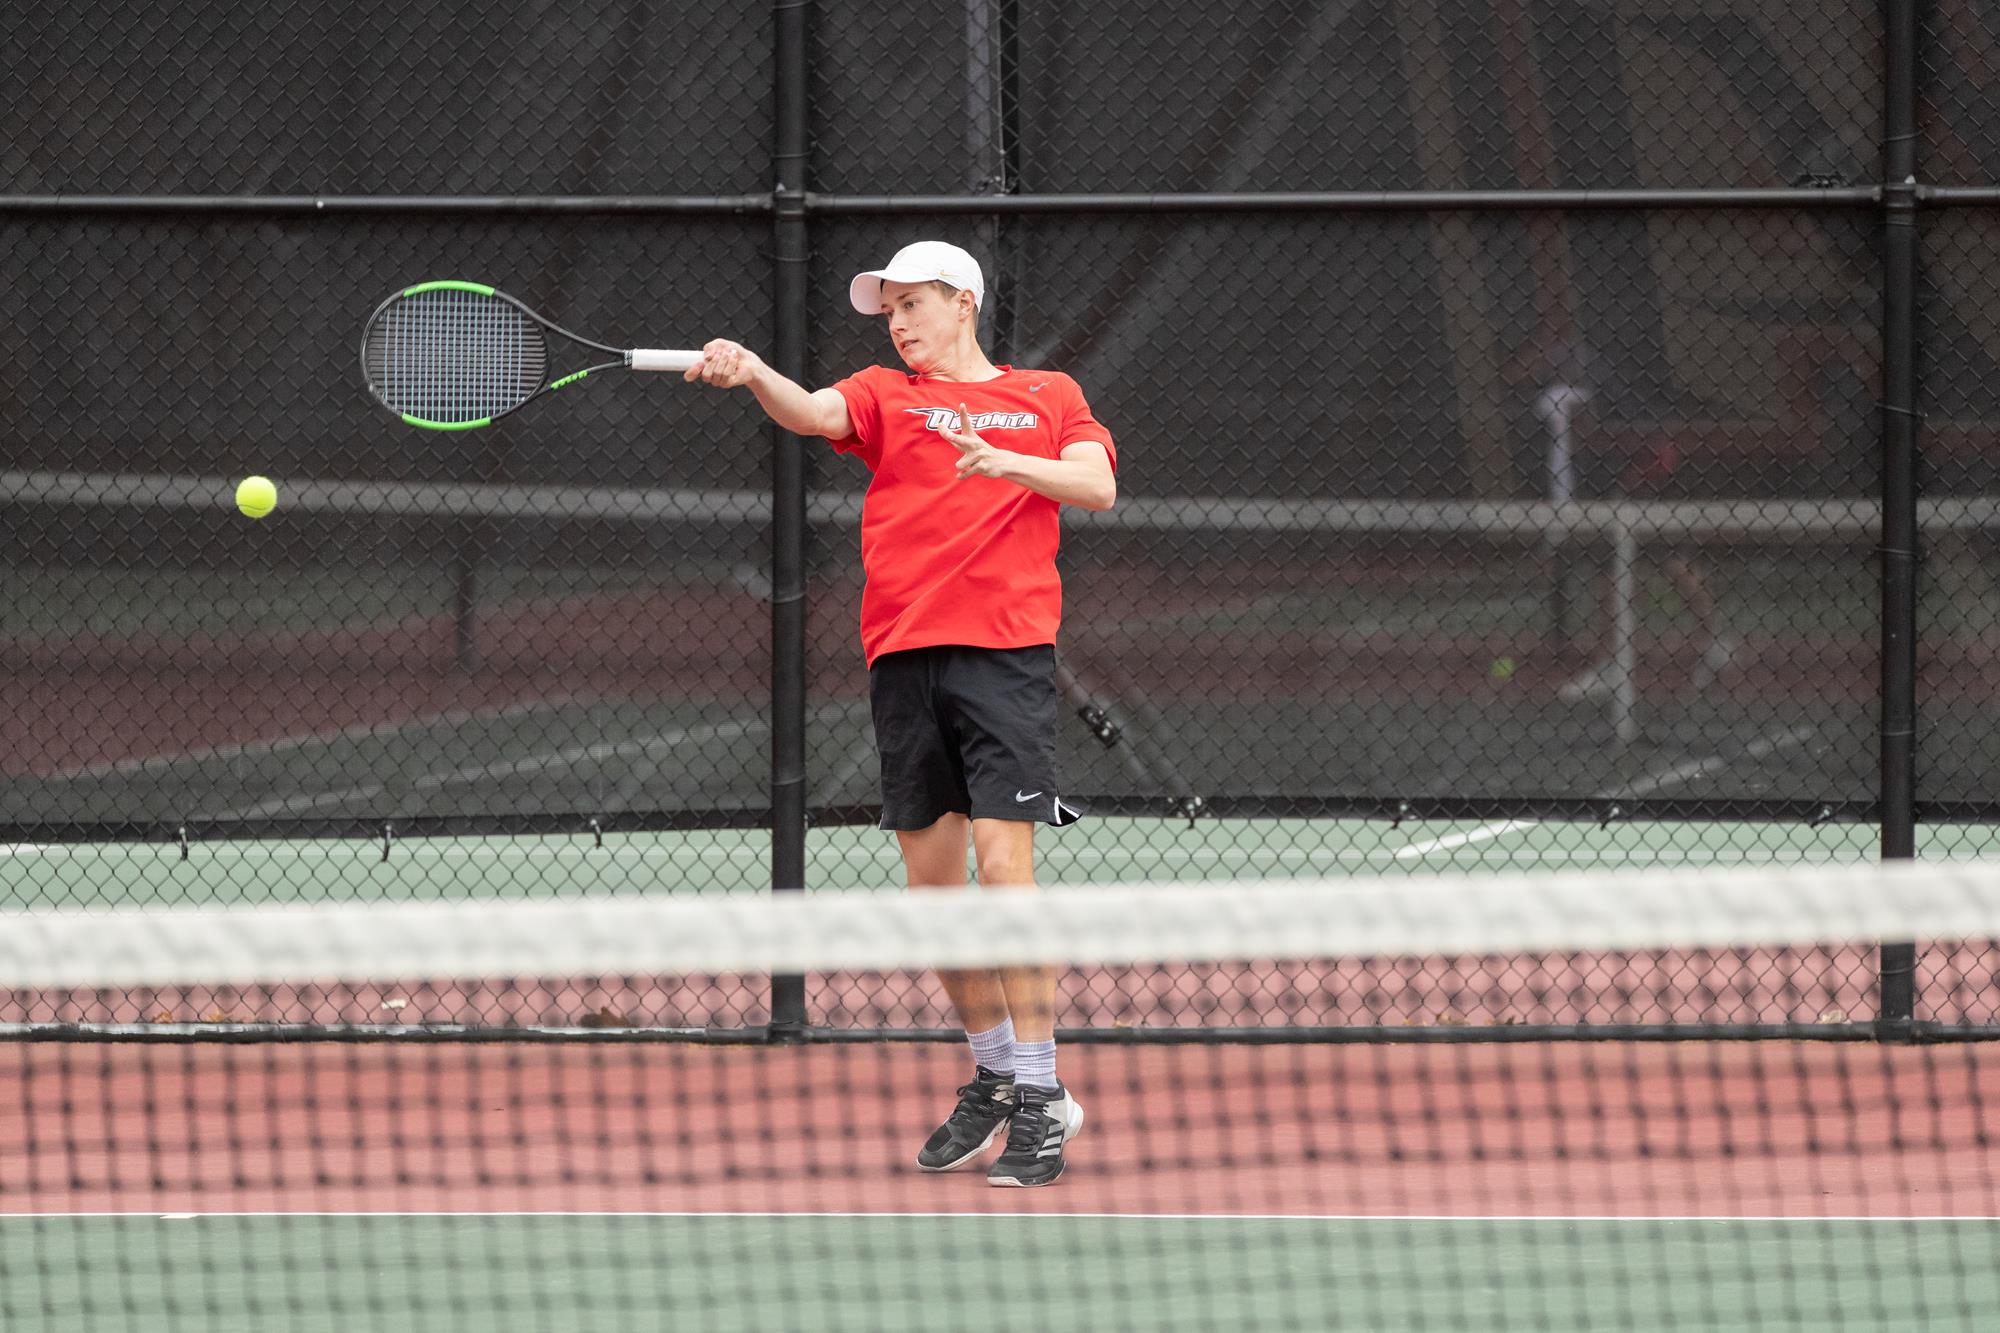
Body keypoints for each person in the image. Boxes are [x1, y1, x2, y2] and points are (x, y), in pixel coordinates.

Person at [682, 240, 1116, 1187]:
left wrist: (1004, 461)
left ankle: (1042, 1090)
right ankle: (995, 1073)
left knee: (1006, 871)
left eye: (913, 304)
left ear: (964, 303)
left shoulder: (1048, 395)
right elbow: (812, 412)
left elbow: (1097, 485)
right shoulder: (885, 394)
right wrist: (753, 370)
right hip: (902, 659)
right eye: (889, 311)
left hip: (1005, 654)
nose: (899, 324)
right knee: (934, 894)